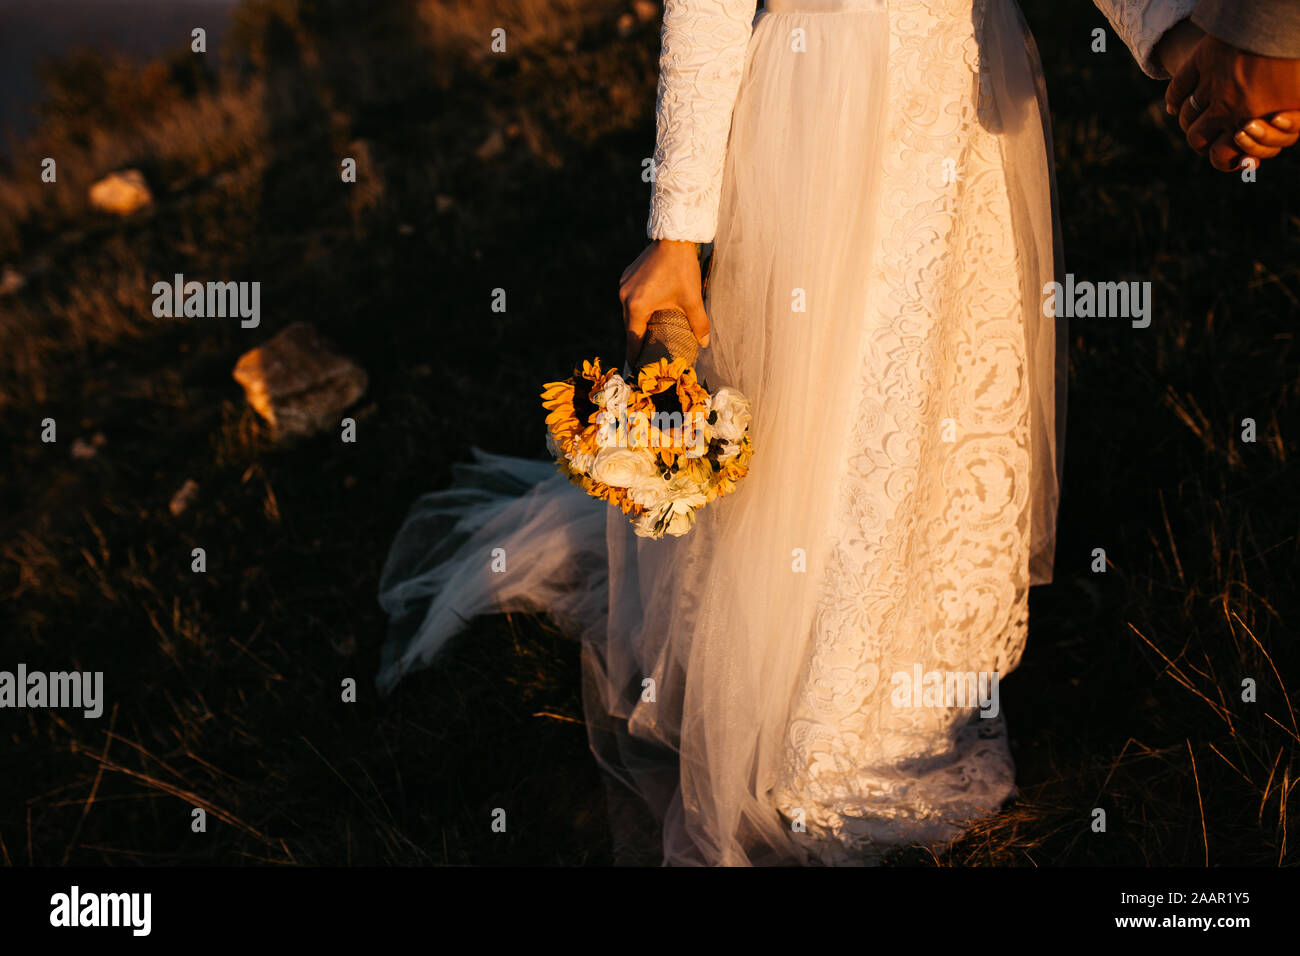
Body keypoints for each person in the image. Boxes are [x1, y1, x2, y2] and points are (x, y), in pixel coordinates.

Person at [377, 1, 1299, 865]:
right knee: (839, 426)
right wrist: (678, 229)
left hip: (965, 94)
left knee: (942, 418)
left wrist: (1189, 45)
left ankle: (919, 692)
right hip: (825, 106)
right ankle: (824, 726)